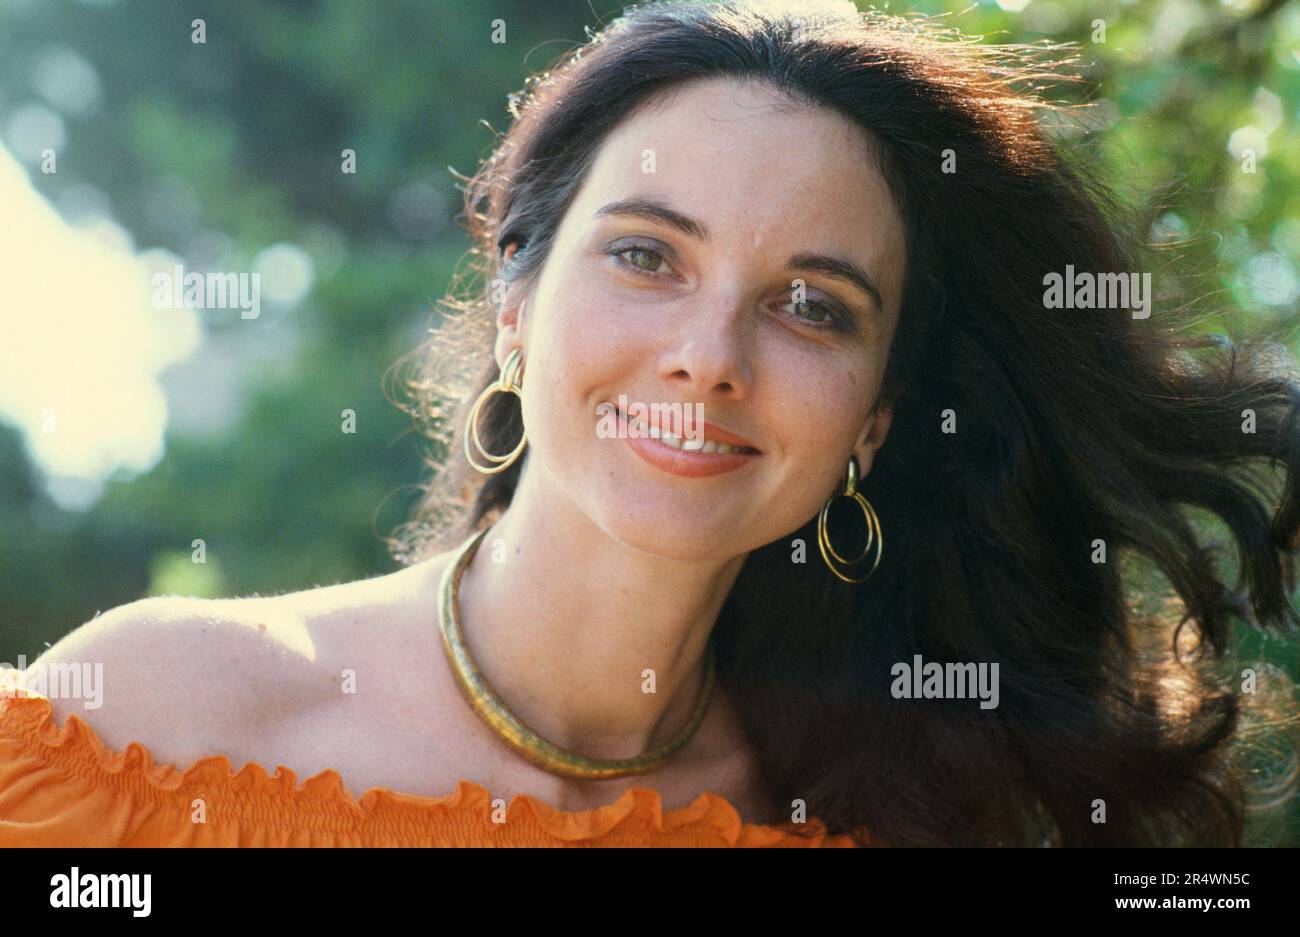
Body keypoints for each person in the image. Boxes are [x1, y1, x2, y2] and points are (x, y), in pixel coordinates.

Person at [3, 0, 1298, 848]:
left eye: (811, 305)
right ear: (514, 299)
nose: (707, 358)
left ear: (876, 421)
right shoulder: (148, 724)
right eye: (644, 255)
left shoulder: (882, 816)